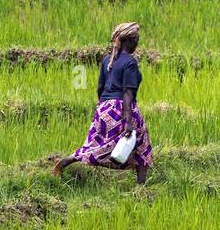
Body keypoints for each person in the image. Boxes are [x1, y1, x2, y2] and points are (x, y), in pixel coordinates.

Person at [54, 21, 153, 185]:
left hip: (104, 107)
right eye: (137, 40)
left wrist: (102, 108)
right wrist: (128, 122)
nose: (138, 43)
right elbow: (128, 93)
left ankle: (68, 160)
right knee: (142, 145)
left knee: (95, 143)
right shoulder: (130, 62)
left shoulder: (108, 60)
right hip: (123, 108)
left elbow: (100, 88)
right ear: (130, 41)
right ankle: (141, 187)